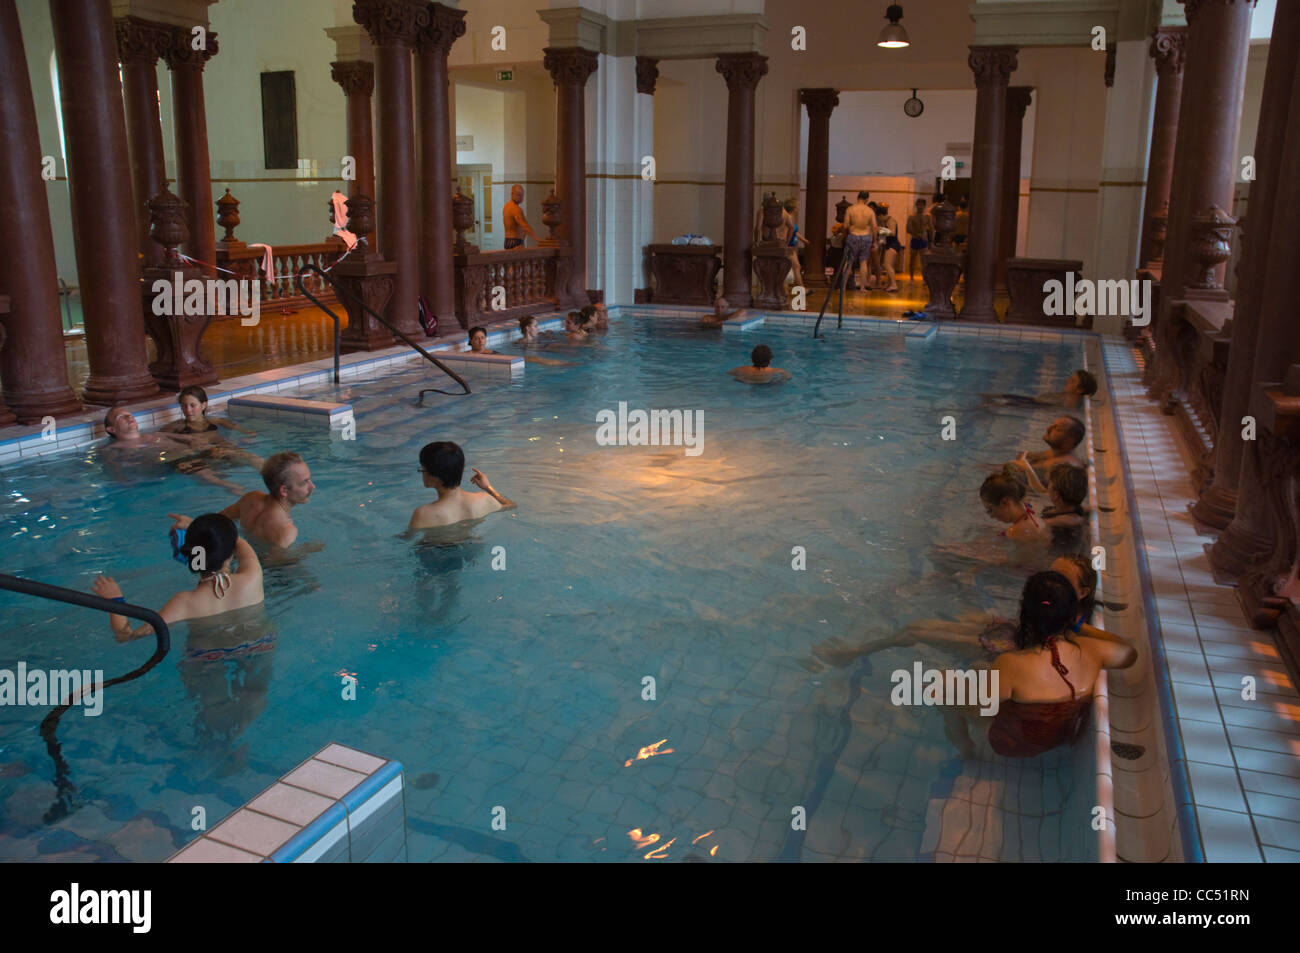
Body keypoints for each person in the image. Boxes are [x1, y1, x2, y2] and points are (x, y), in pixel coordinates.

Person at [978, 570, 1136, 758]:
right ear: (1071, 613)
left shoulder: (1009, 664)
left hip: (1016, 745)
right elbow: (1129, 653)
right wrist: (1079, 627)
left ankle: (967, 752)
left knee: (955, 686)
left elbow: (983, 712)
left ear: (1024, 611)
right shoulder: (1092, 651)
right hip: (1063, 738)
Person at [92, 512, 264, 642]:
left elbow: (127, 636)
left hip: (208, 656)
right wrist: (196, 526)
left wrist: (114, 602)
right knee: (254, 690)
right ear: (231, 554)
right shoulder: (252, 577)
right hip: (257, 644)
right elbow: (239, 542)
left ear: (190, 552)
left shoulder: (184, 602)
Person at [102, 405, 245, 494]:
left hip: (193, 452)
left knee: (237, 456)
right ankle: (230, 486)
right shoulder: (113, 448)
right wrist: (123, 482)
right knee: (204, 473)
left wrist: (202, 444)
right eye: (122, 417)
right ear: (112, 429)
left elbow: (188, 439)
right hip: (177, 459)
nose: (128, 417)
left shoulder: (155, 434)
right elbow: (113, 469)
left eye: (129, 415)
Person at [408, 441, 515, 530]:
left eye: (422, 469)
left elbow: (407, 539)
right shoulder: (485, 499)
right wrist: (488, 488)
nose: (421, 472)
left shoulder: (423, 514)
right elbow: (511, 506)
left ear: (435, 476)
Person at [221, 451, 315, 548]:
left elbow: (219, 519)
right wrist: (304, 551)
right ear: (284, 490)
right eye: (304, 482)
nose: (312, 486)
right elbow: (273, 562)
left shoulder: (250, 498)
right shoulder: (286, 530)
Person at [1012, 416, 1088, 487]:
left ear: (1069, 441)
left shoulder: (1062, 465)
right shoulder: (1057, 453)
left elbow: (1014, 471)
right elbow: (1020, 456)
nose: (1048, 429)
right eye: (1052, 425)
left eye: (1057, 429)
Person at [162, 386, 255, 437]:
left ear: (203, 405)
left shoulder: (213, 421)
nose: (188, 410)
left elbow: (224, 422)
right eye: (184, 406)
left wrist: (246, 432)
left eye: (192, 405)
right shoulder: (176, 427)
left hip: (218, 448)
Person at [982, 370, 1098, 410]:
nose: (1068, 381)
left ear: (1080, 390)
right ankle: (986, 397)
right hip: (1036, 401)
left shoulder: (1069, 404)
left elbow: (1055, 408)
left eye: (1073, 381)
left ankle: (986, 405)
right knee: (1008, 396)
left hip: (1038, 405)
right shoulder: (1068, 396)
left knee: (1008, 403)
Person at [1042, 464, 1090, 554]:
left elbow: (1038, 525)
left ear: (1056, 495)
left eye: (1049, 485)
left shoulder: (1064, 520)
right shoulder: (1077, 509)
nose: (1047, 488)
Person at [842, 191, 877, 294]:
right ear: (867, 199)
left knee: (849, 262)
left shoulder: (850, 209)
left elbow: (845, 226)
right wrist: (874, 241)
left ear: (857, 197)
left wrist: (846, 234)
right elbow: (874, 227)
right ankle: (862, 287)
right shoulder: (870, 211)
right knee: (863, 262)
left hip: (853, 236)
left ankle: (843, 286)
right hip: (866, 237)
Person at [875, 202, 902, 293]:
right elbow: (882, 239)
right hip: (889, 246)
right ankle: (890, 284)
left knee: (887, 265)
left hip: (893, 245)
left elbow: (893, 233)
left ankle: (894, 285)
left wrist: (879, 229)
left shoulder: (891, 220)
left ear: (881, 215)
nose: (878, 219)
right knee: (888, 265)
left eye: (878, 217)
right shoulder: (884, 222)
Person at [783, 198, 809, 288]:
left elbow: (794, 232)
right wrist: (786, 244)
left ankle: (787, 289)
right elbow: (786, 231)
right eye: (796, 206)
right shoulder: (788, 217)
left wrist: (803, 240)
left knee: (795, 267)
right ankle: (801, 288)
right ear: (793, 208)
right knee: (795, 266)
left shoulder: (791, 217)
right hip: (789, 246)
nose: (797, 208)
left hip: (791, 246)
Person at [904, 197, 932, 283]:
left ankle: (925, 278)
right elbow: (908, 229)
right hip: (915, 240)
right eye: (918, 204)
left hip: (923, 241)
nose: (920, 206)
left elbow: (931, 229)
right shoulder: (912, 217)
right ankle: (911, 278)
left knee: (924, 261)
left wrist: (931, 241)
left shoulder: (927, 217)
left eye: (921, 205)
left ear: (924, 206)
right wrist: (916, 234)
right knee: (912, 260)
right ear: (916, 205)